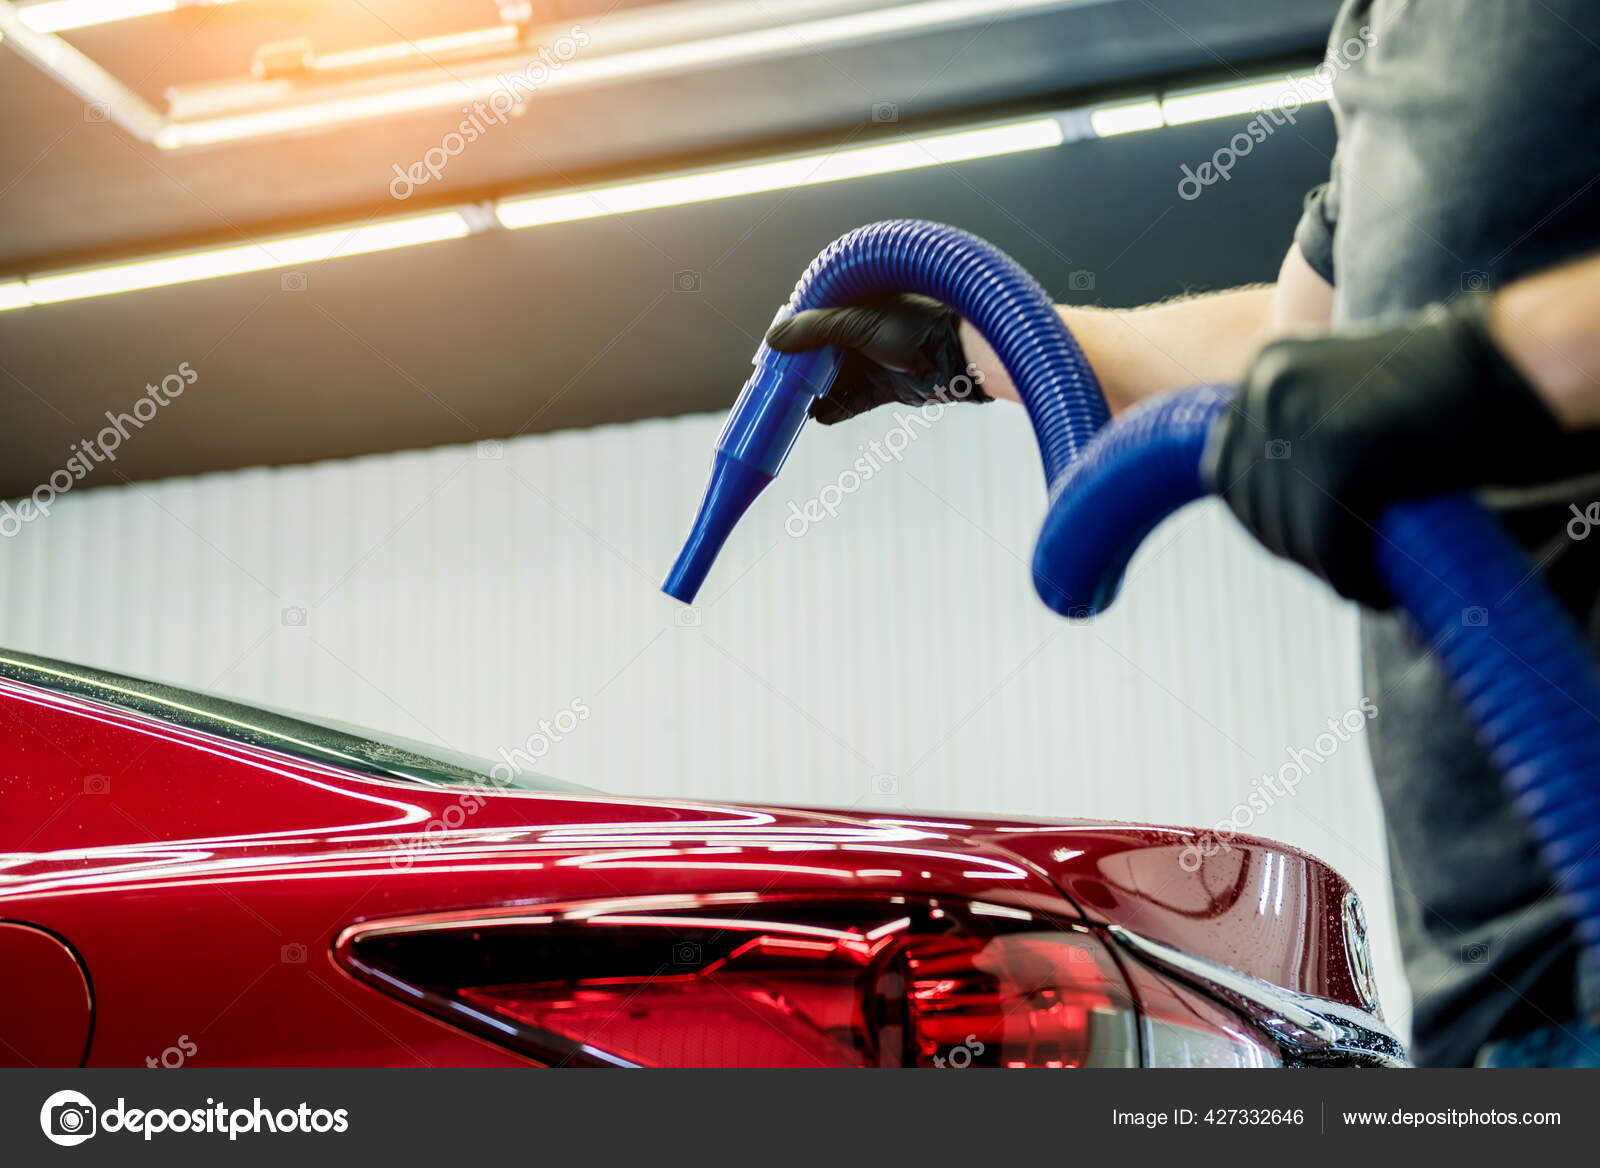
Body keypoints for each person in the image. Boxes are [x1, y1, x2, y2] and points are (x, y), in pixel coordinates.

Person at [764, 0, 1600, 1067]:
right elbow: (1313, 348)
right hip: (1500, 976)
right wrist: (974, 344)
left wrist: (1494, 363)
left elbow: (1403, 364)